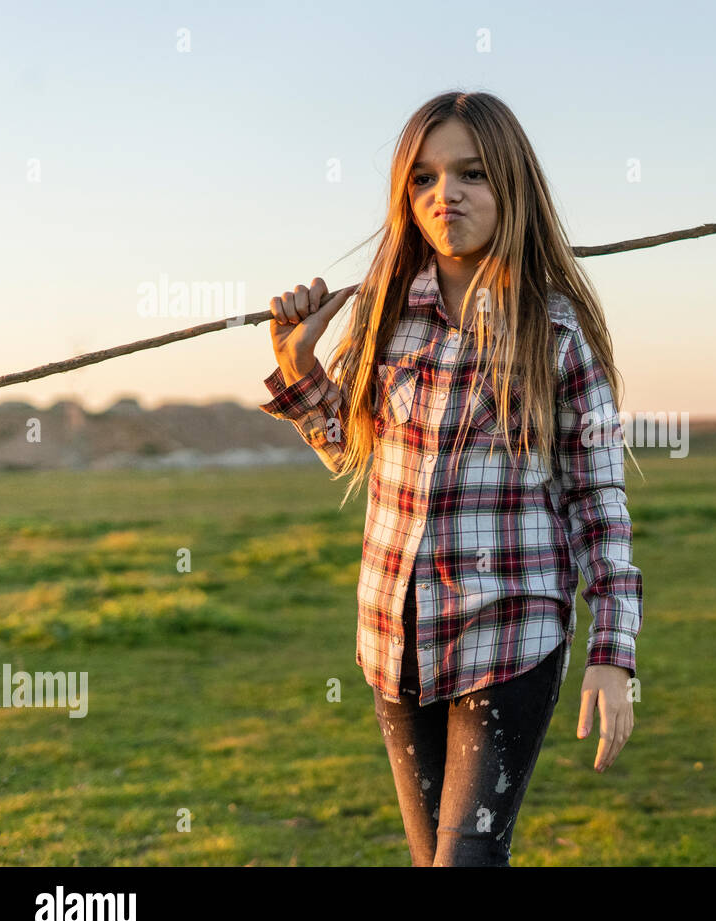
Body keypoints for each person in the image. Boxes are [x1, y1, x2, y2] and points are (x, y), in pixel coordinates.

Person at [256, 90, 643, 866]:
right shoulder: (384, 319)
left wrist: (613, 647)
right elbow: (351, 448)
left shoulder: (554, 332)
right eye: (424, 180)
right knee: (430, 855)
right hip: (395, 637)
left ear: (513, 186)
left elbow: (596, 500)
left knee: (467, 857)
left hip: (510, 635)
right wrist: (296, 366)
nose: (446, 195)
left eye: (471, 174)